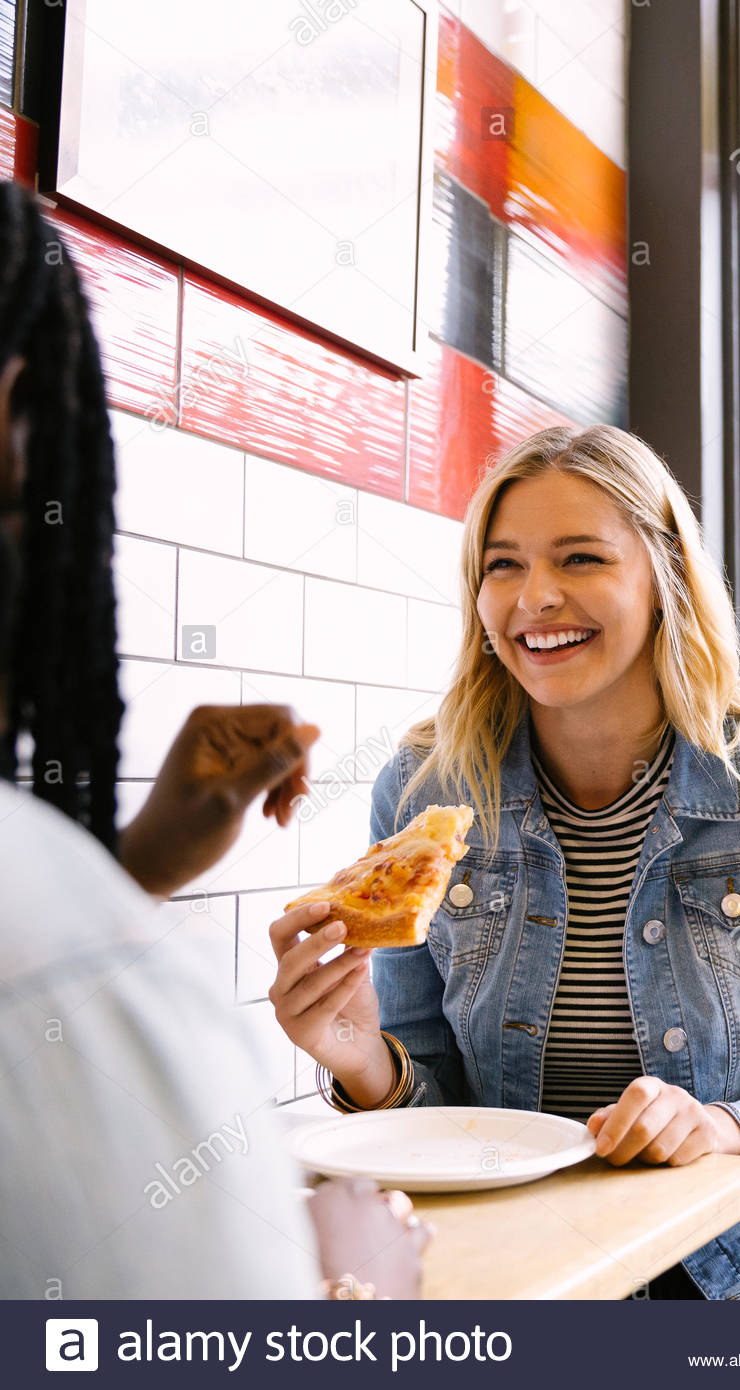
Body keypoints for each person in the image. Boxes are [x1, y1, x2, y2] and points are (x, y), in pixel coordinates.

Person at [270, 423, 740, 1300]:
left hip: (734, 1271)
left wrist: (722, 1126)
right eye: (502, 565)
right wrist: (363, 1061)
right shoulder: (423, 792)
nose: (534, 597)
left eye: (581, 559)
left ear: (664, 581)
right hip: (512, 1263)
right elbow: (434, 1119)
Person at [0, 179, 428, 1299]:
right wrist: (355, 1301)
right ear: (14, 430)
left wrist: (130, 871)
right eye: (498, 563)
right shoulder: (80, 983)